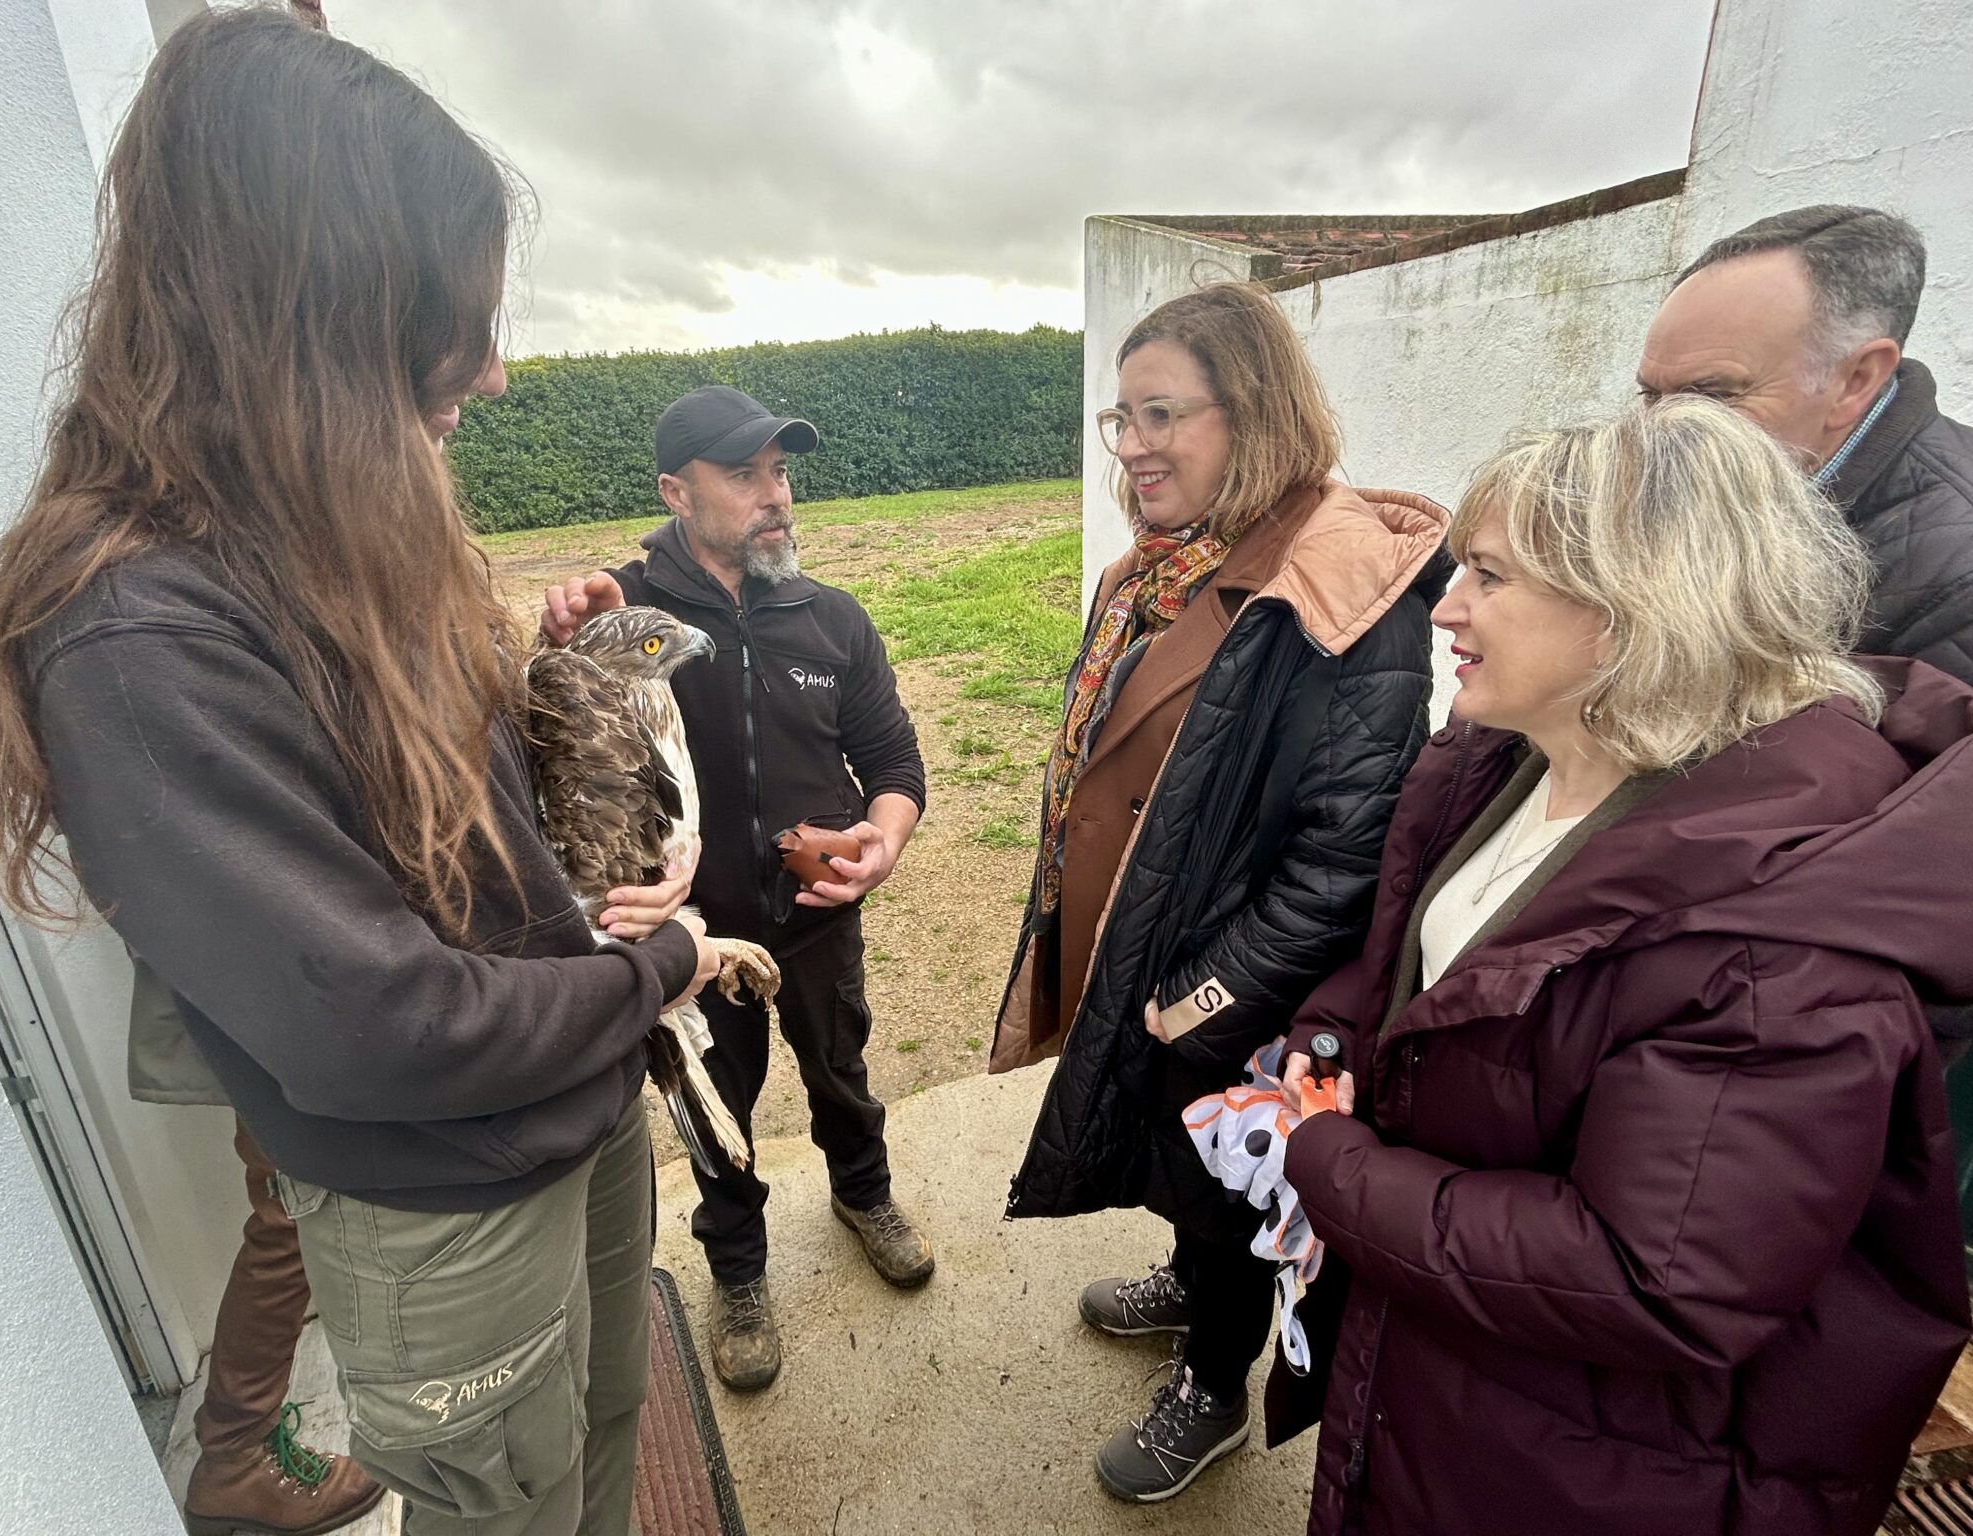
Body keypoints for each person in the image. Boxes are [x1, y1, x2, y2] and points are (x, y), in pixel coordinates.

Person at [0, 12, 718, 1536]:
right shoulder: (129, 626)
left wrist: (545, 687)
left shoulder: (330, 526)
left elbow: (414, 806)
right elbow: (384, 1027)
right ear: (312, 306)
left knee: (600, 1449)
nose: (494, 374)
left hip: (569, 1108)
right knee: (512, 1510)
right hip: (448, 1202)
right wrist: (665, 972)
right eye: (452, 321)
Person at [1276, 396, 1973, 1536]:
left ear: (1638, 604)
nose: (1444, 607)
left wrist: (1331, 1164)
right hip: (1446, 1382)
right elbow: (1426, 975)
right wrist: (1325, 1038)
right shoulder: (1510, 760)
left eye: (1487, 577)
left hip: (1599, 1469)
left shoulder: (1772, 936)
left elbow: (1657, 1278)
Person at [987, 281, 1449, 1503]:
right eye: (1117, 419)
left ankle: (1214, 1383)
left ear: (1251, 413)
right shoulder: (1166, 567)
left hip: (1236, 982)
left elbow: (1343, 855)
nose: (1130, 446)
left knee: (1234, 1181)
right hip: (1155, 944)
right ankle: (1194, 1283)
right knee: (1178, 1166)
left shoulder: (1342, 590)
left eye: (1159, 414)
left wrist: (1206, 992)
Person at [539, 385, 932, 1394]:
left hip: (814, 927)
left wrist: (879, 846)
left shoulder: (829, 618)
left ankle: (865, 1196)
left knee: (841, 1075)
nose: (775, 495)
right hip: (694, 946)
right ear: (675, 491)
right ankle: (740, 1277)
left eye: (781, 472)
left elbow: (892, 759)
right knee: (717, 1112)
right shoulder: (627, 619)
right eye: (743, 473)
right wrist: (570, 637)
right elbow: (548, 731)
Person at [1639, 206, 1973, 685]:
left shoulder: (1956, 589)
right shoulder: (1721, 484)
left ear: (1856, 380)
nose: (1656, 434)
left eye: (1712, 397)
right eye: (1650, 395)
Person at [129, 964, 384, 1534]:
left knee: (294, 1215)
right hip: (275, 987)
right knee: (290, 1216)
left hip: (284, 988)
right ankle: (235, 1456)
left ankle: (235, 1451)